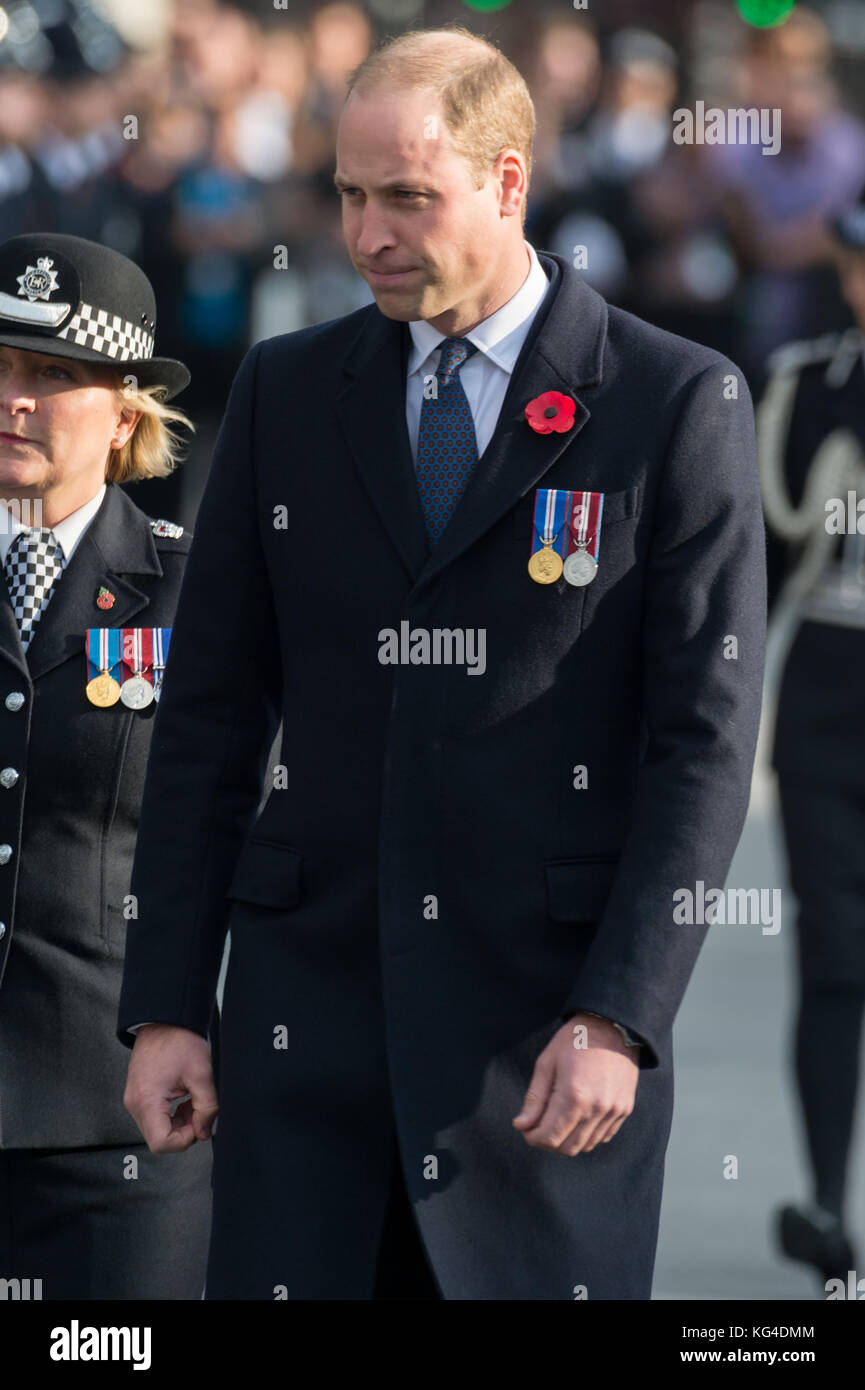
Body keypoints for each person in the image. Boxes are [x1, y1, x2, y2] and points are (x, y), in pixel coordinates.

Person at [119, 26, 766, 1301]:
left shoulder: (672, 401)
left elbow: (704, 741)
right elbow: (207, 719)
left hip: (541, 1055)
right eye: (349, 195)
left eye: (408, 197)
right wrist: (169, 1004)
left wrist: (621, 1014)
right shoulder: (287, 392)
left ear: (508, 181)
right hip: (304, 1046)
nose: (368, 235)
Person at [0, 232, 211, 1299]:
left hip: (116, 1120)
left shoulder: (197, 594)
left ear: (125, 416)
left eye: (51, 374)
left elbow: (259, 838)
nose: (14, 399)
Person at [759, 188, 865, 1287]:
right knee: (835, 952)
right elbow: (763, 551)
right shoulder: (807, 384)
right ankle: (827, 1205)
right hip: (832, 687)